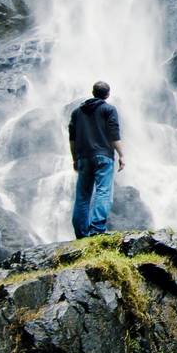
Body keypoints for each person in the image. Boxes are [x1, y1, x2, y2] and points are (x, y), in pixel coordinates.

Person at [68, 80, 125, 238]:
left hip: (83, 158)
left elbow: (72, 139)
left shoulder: (77, 112)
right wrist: (122, 155)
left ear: (93, 93)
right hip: (104, 157)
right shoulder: (108, 109)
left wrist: (74, 159)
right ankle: (97, 229)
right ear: (107, 94)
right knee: (103, 192)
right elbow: (114, 135)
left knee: (82, 196)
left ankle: (81, 232)